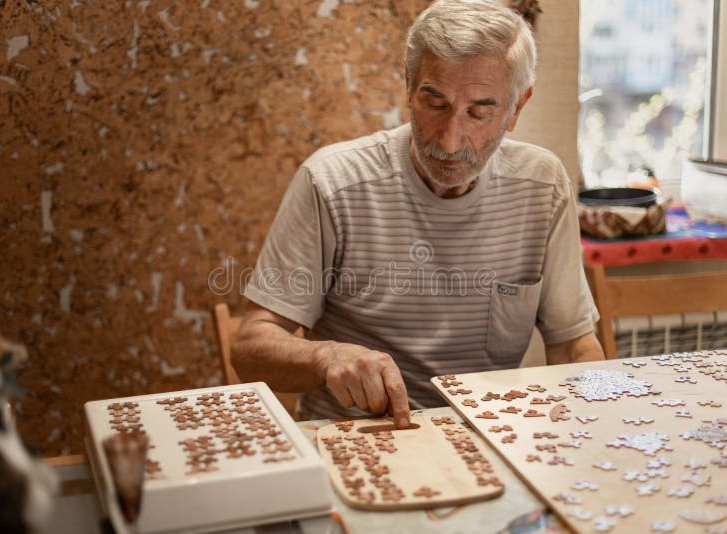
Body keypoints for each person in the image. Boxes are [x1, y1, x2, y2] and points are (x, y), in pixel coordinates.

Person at [233, 0, 604, 429]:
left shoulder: (543, 185)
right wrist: (324, 356)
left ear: (517, 108)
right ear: (409, 86)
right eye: (435, 103)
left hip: (492, 434)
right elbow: (249, 347)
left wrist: (588, 432)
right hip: (357, 437)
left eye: (479, 112)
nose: (449, 142)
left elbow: (573, 346)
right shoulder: (330, 182)